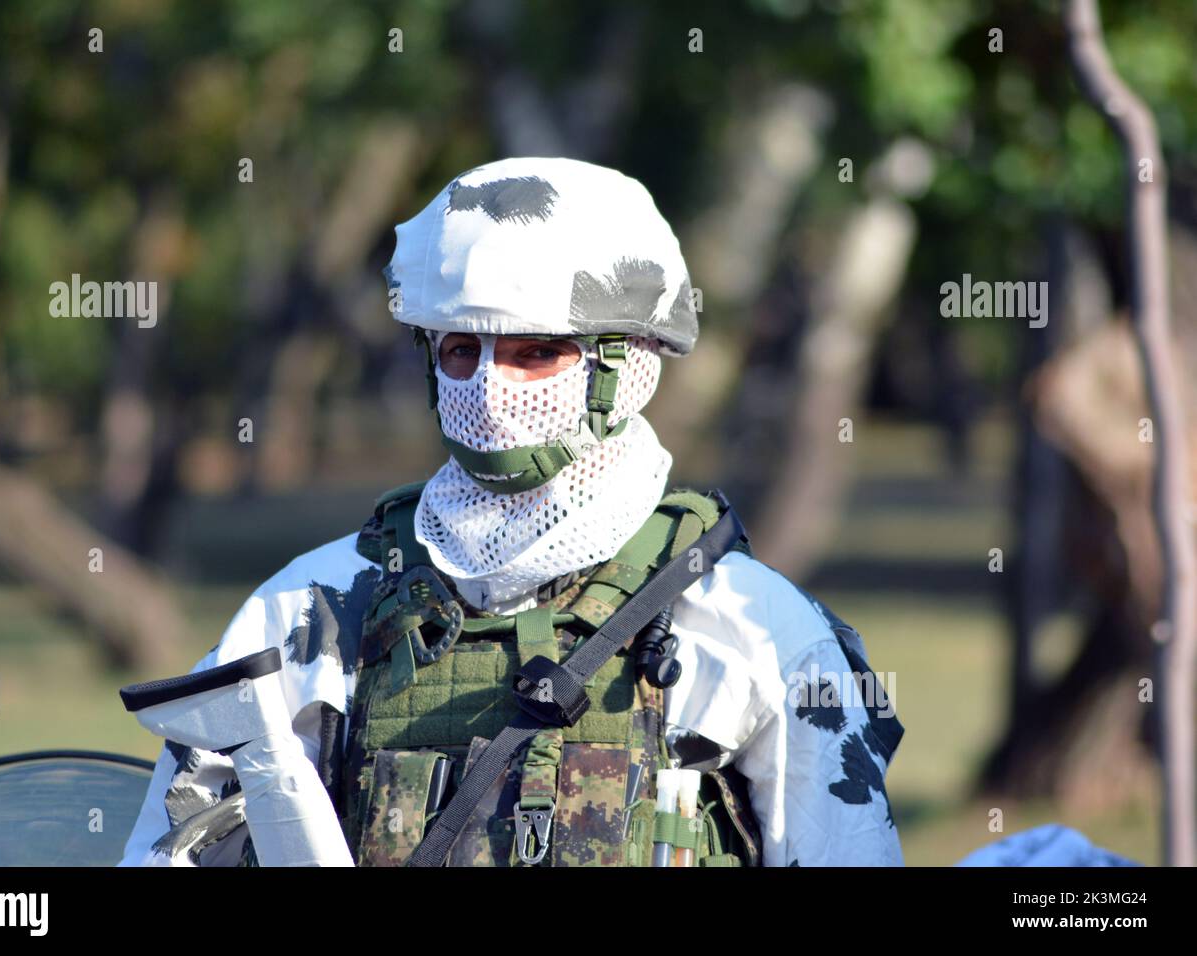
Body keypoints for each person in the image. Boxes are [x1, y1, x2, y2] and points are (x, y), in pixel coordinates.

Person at [117, 156, 905, 868]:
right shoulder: (313, 607)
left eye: (535, 352)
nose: (489, 385)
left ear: (624, 366)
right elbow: (170, 850)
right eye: (462, 350)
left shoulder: (750, 625)